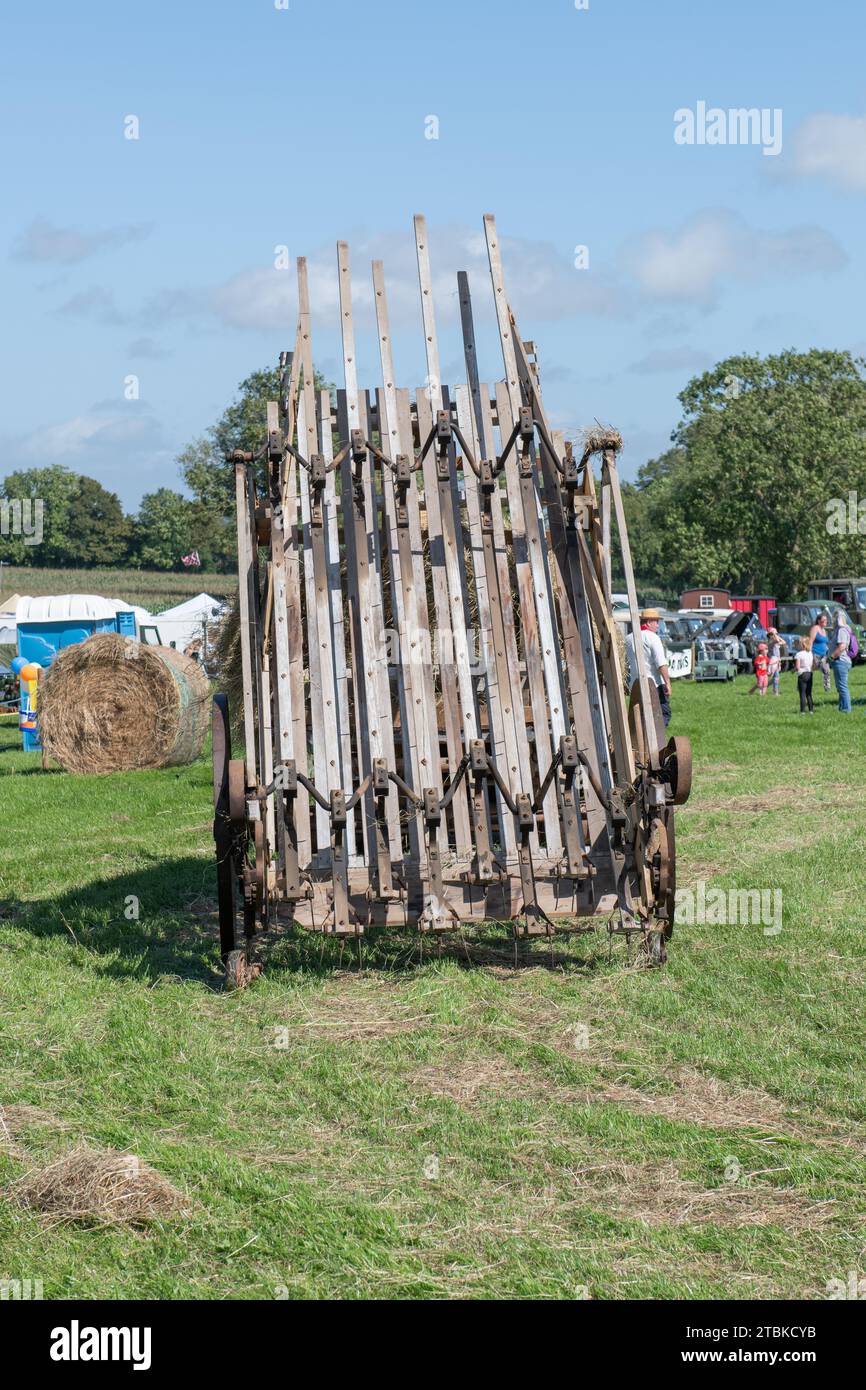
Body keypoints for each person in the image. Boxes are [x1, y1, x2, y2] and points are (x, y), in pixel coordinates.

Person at [625, 607, 672, 726]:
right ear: (648, 622)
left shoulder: (628, 638)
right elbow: (661, 663)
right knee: (663, 714)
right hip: (653, 684)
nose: (658, 625)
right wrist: (667, 683)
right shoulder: (653, 637)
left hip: (636, 685)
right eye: (656, 621)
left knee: (640, 716)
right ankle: (656, 742)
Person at [829, 609, 852, 713]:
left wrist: (832, 656)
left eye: (834, 617)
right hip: (840, 661)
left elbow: (842, 646)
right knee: (840, 686)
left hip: (841, 660)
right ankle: (842, 708)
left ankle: (846, 709)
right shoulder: (840, 629)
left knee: (842, 687)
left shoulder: (842, 630)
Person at [808, 611, 832, 694]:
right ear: (818, 621)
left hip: (824, 655)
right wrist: (809, 654)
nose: (825, 622)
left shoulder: (824, 630)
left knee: (827, 671)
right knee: (809, 671)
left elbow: (825, 643)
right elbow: (810, 641)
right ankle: (803, 687)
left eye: (826, 620)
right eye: (823, 620)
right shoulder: (815, 628)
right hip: (815, 654)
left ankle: (827, 689)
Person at [794, 637, 814, 714]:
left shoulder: (798, 654)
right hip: (809, 673)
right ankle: (811, 710)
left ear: (803, 645)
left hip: (802, 674)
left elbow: (798, 667)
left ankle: (803, 711)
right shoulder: (810, 653)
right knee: (808, 693)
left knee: (802, 693)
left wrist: (793, 670)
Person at [766, 626, 784, 696]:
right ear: (770, 635)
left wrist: (776, 634)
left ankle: (766, 686)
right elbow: (777, 641)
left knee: (776, 677)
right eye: (772, 634)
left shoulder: (775, 641)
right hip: (773, 661)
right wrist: (774, 634)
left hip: (777, 660)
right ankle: (773, 691)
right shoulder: (771, 642)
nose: (775, 635)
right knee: (772, 676)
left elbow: (783, 642)